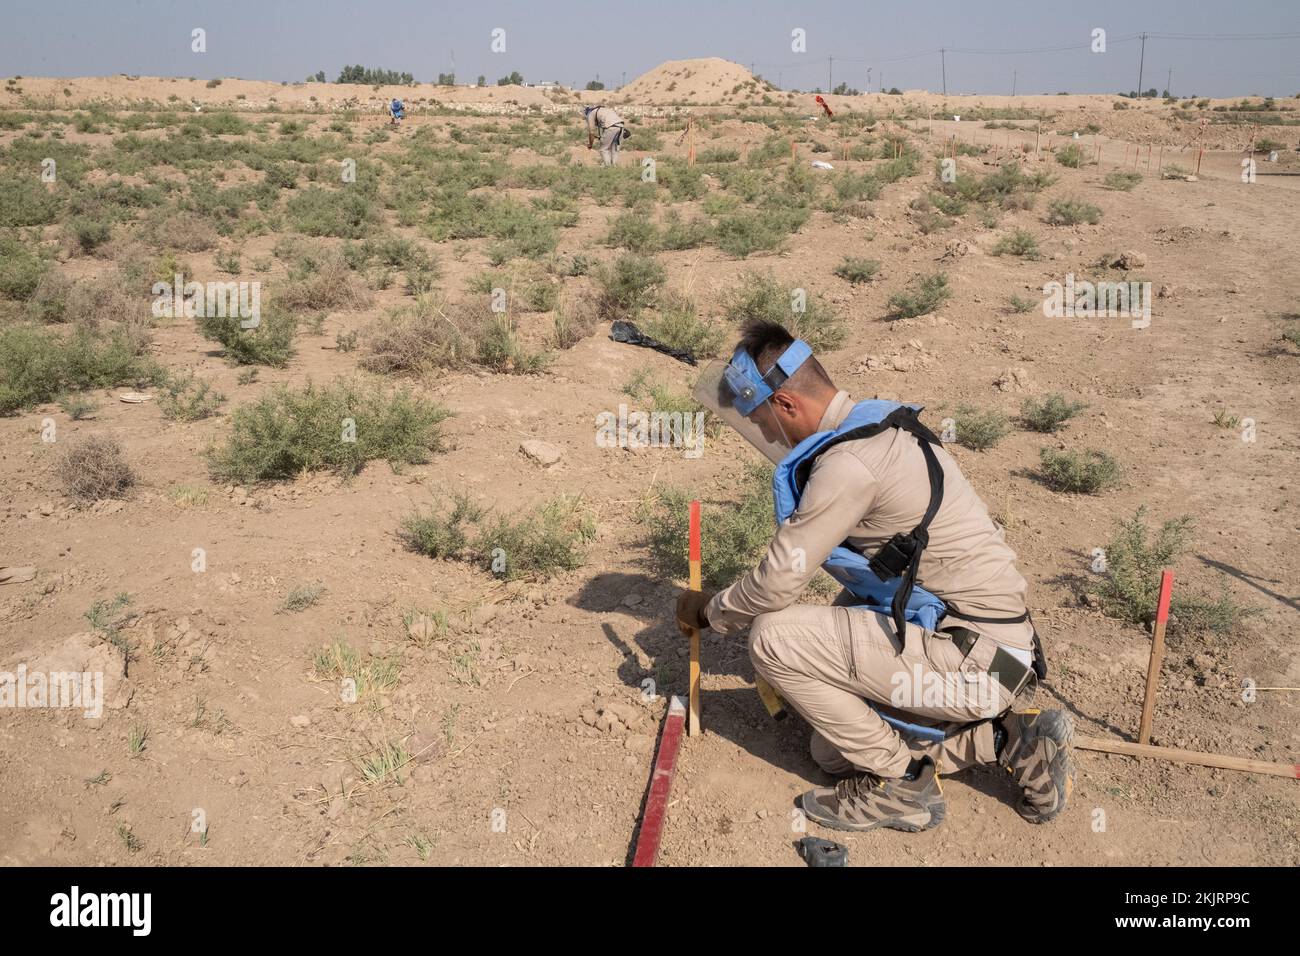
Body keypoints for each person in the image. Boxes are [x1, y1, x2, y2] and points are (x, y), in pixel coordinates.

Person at [677, 319, 1075, 833]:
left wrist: (709, 611)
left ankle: (906, 787)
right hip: (995, 652)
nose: (764, 435)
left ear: (787, 405)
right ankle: (1009, 740)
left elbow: (779, 580)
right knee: (832, 752)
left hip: (975, 659)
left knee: (774, 639)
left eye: (761, 422)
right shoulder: (880, 421)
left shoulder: (851, 462)